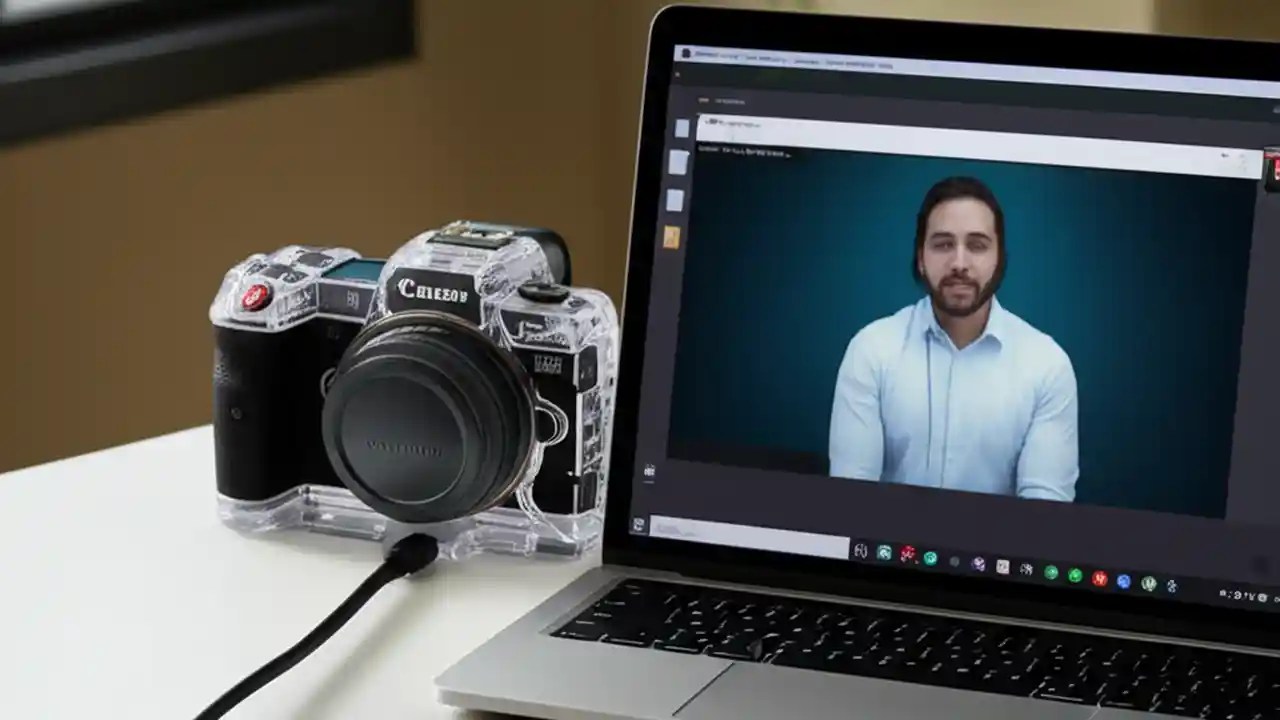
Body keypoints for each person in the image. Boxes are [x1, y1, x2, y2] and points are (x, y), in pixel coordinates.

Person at [827, 175, 1079, 502]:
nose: (959, 263)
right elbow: (851, 500)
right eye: (943, 244)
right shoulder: (871, 350)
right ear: (921, 257)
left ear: (1000, 258)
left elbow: (1046, 517)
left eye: (977, 245)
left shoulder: (1047, 365)